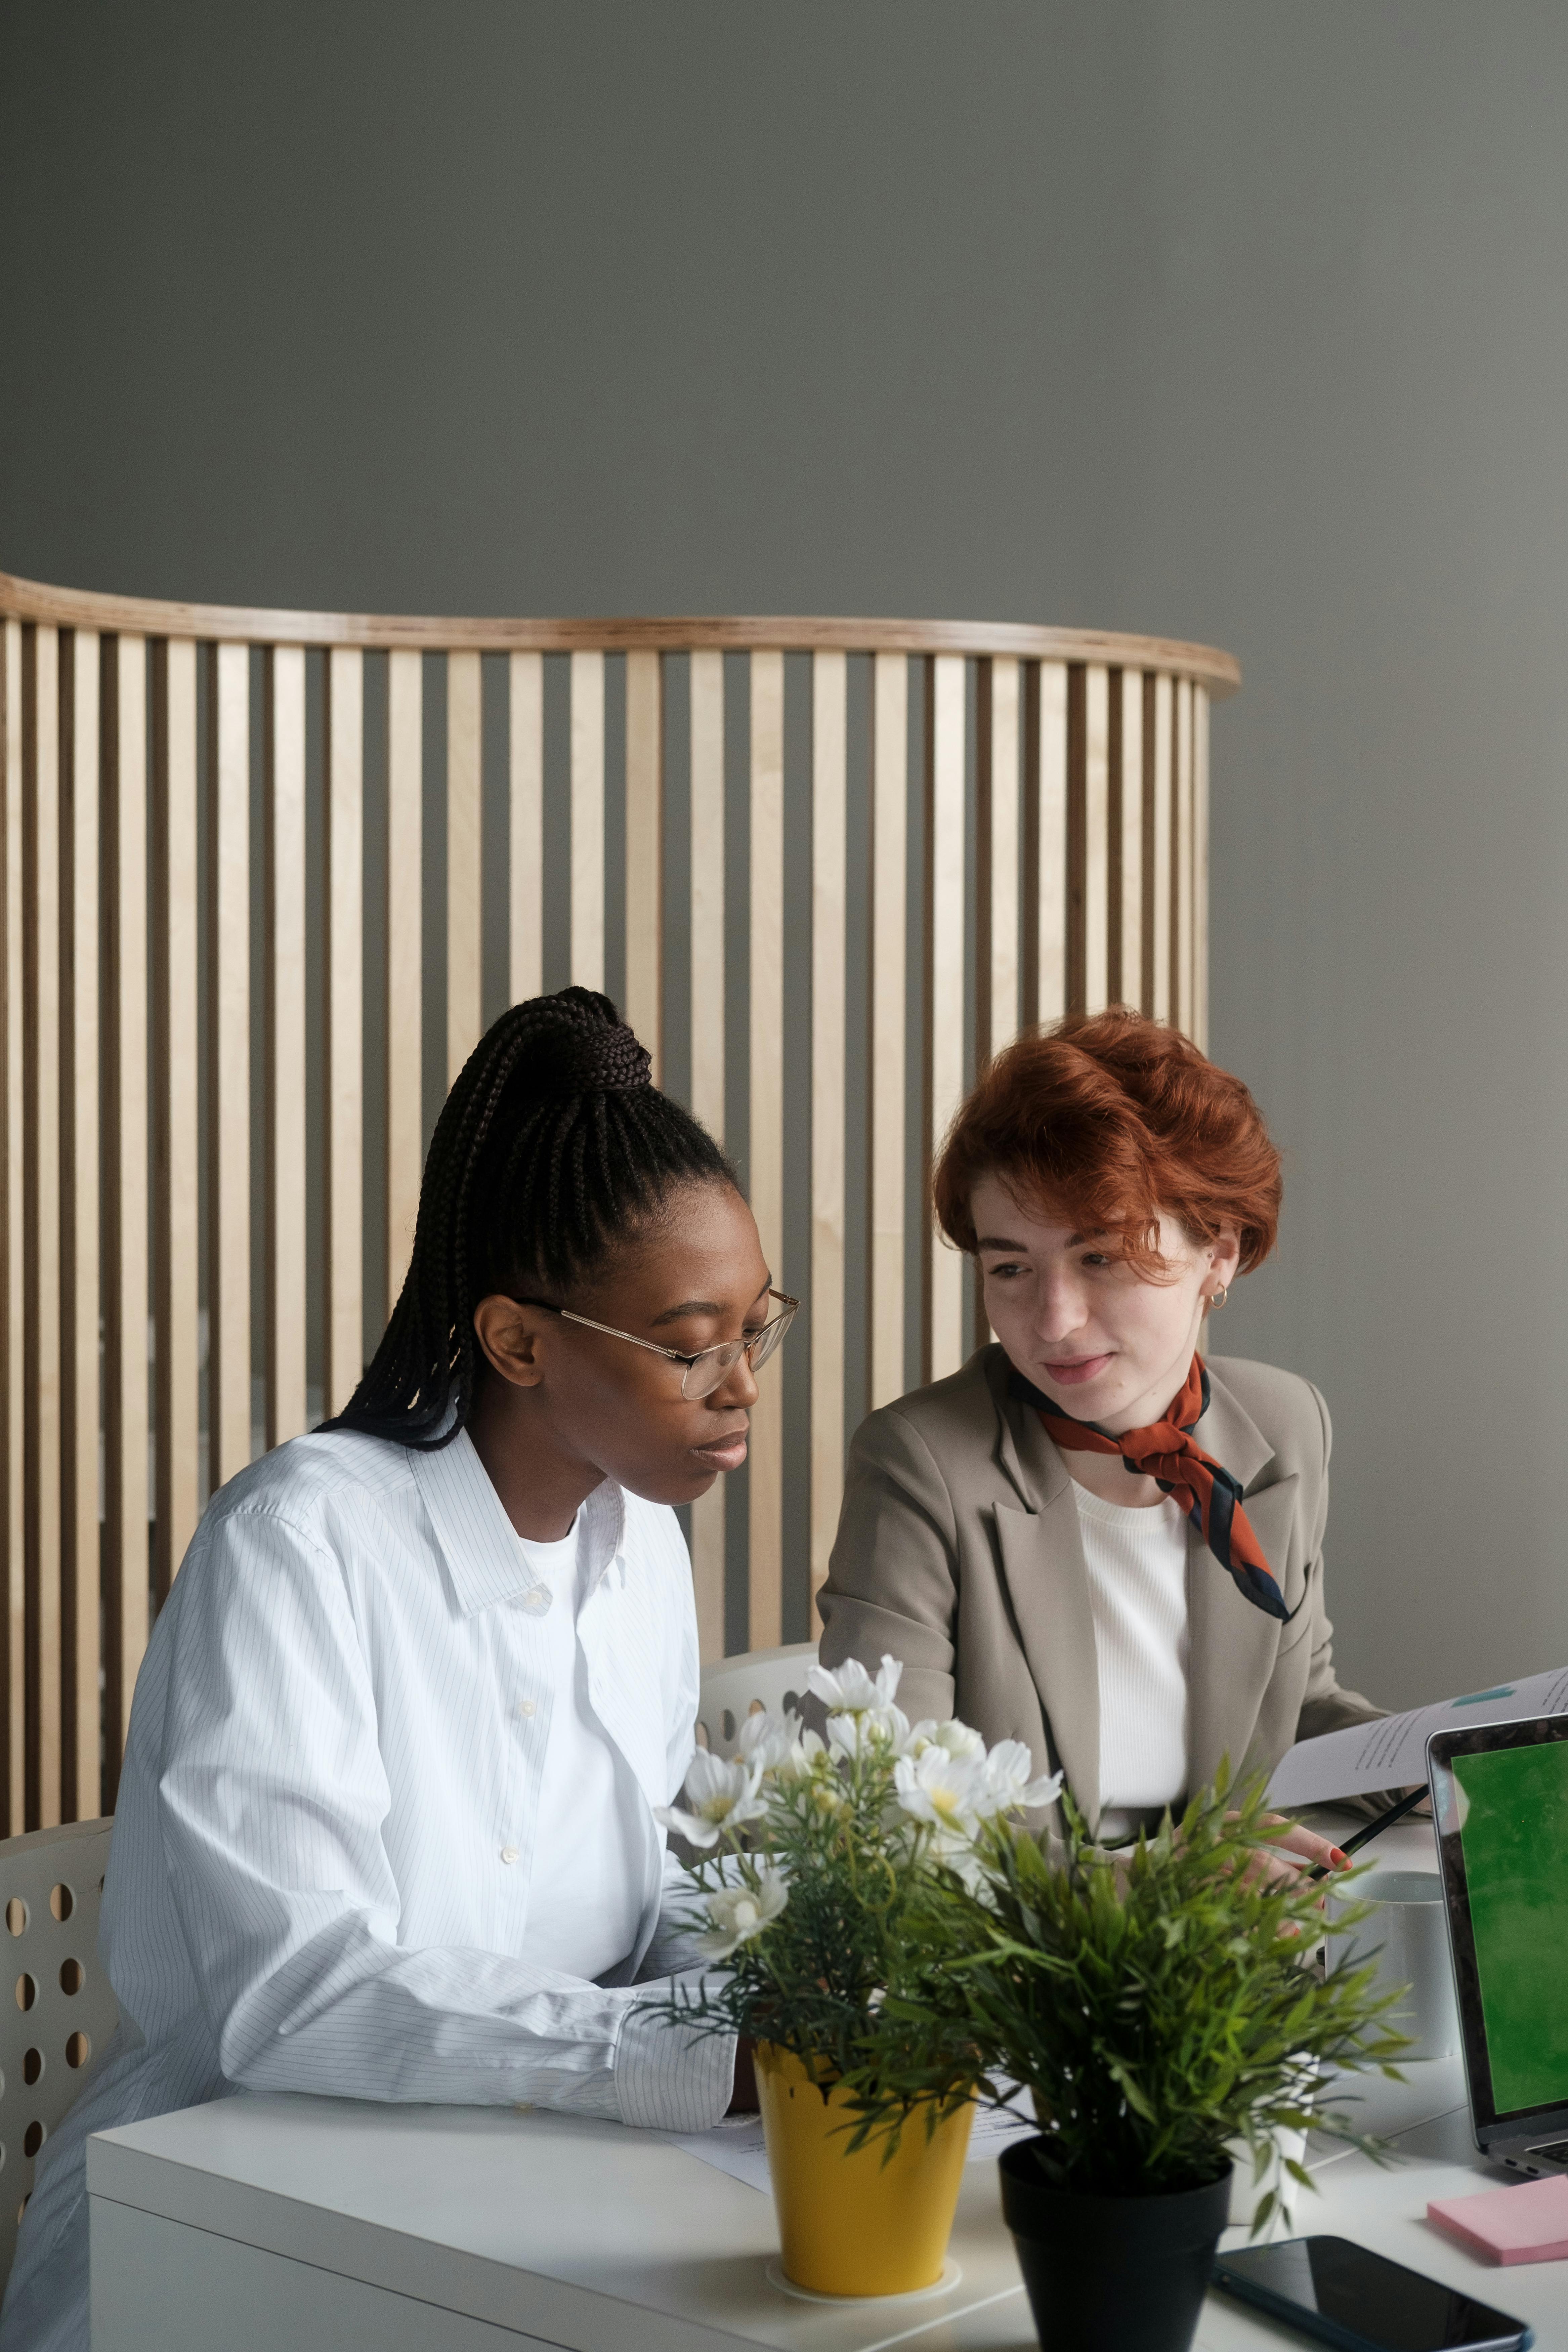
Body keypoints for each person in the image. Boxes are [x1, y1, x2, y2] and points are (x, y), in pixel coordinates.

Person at [2, 988, 792, 2352]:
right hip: (226, 2226)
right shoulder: (300, 1541)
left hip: (520, 2190)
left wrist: (803, 1985)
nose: (741, 1386)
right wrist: (678, 2056)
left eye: (754, 1327)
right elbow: (295, 1991)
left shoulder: (639, 1538)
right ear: (520, 1340)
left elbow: (648, 1875)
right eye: (687, 1343)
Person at [816, 1008, 1381, 1871]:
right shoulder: (920, 1462)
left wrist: (1480, 1757)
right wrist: (1163, 1884)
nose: (1053, 1320)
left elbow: (1299, 1708)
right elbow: (890, 1824)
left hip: (1244, 1949)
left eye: (1101, 1257)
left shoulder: (1284, 1422)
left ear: (1219, 1251)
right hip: (1025, 1967)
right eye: (1011, 1267)